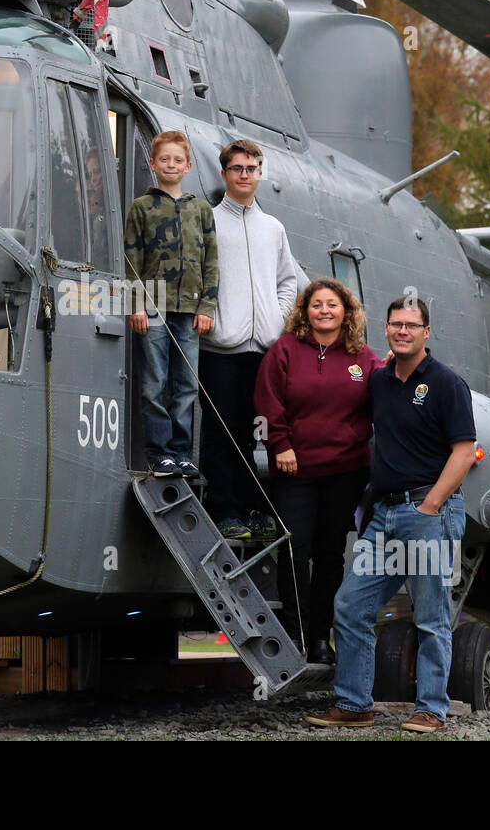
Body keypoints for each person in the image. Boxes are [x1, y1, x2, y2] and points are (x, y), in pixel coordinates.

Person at [306, 295, 477, 733]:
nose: (403, 331)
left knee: (430, 614)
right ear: (386, 330)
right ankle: (354, 704)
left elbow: (464, 451)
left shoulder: (445, 383)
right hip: (383, 517)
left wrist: (432, 504)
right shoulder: (380, 381)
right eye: (396, 324)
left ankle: (431, 710)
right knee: (349, 605)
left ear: (426, 332)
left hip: (427, 513)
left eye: (411, 325)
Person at [254, 278, 384, 663]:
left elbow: (387, 396)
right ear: (305, 311)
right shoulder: (285, 351)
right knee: (294, 550)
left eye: (332, 304)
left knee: (330, 556)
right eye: (316, 304)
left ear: (346, 311)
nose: (324, 310)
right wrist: (280, 444)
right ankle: (294, 636)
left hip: (346, 471)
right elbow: (266, 401)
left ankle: (319, 640)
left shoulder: (364, 358)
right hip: (295, 469)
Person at [199, 139, 299, 539]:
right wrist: (214, 318)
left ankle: (255, 509)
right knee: (221, 430)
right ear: (225, 174)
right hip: (220, 348)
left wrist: (275, 320)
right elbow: (199, 279)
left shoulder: (273, 228)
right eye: (237, 168)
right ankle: (224, 510)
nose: (244, 175)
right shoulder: (206, 222)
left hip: (264, 351)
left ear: (260, 174)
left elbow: (287, 281)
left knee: (256, 431)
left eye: (251, 168)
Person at [124, 130, 218, 477]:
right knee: (154, 382)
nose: (171, 165)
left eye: (178, 159)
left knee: (186, 385)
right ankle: (158, 452)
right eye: (165, 159)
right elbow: (132, 257)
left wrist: (207, 308)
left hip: (191, 310)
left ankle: (182, 453)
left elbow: (211, 263)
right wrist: (136, 304)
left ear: (188, 165)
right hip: (153, 305)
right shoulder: (141, 207)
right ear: (153, 164)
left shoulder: (201, 210)